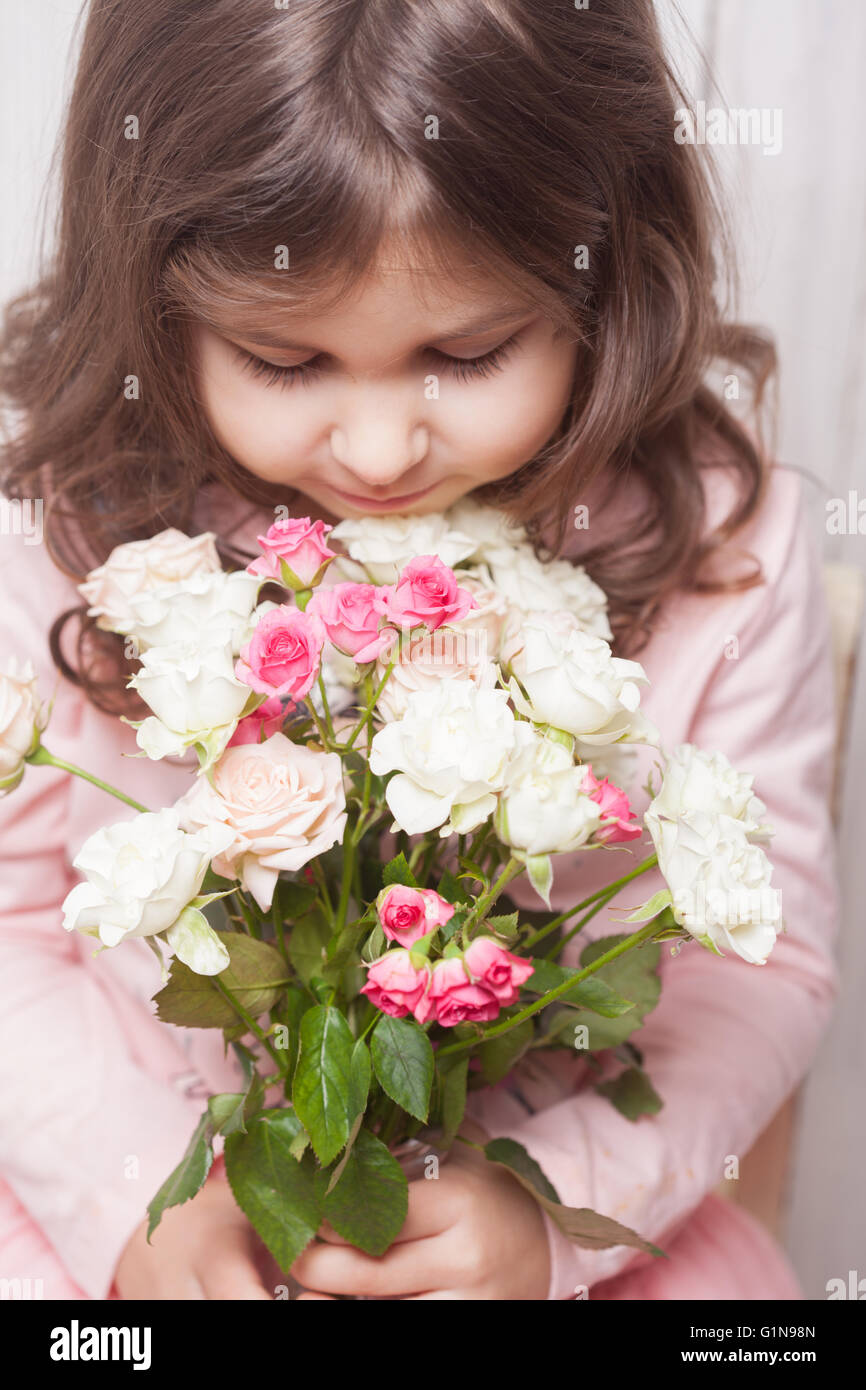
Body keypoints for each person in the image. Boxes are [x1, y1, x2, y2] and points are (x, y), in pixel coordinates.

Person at [0, 0, 839, 1300]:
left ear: (606, 273)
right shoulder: (77, 520)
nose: (382, 450)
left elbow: (763, 969)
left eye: (466, 351)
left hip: (559, 1209)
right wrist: (131, 1205)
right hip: (125, 1190)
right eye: (284, 359)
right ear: (155, 301)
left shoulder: (734, 548)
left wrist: (548, 1222)